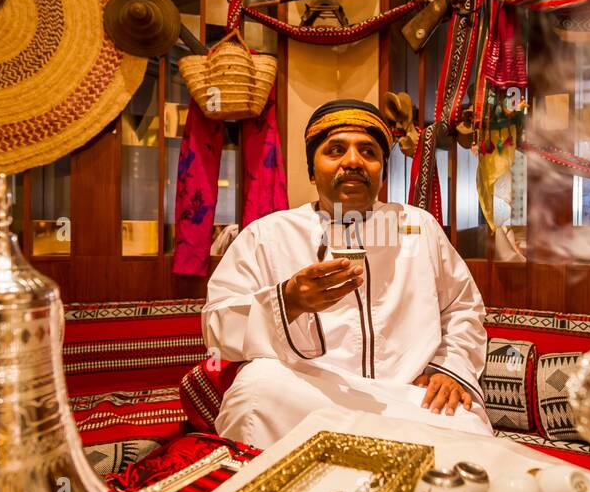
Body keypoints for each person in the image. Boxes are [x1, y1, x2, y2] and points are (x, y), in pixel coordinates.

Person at [203, 98, 492, 448]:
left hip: (406, 401)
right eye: (336, 150)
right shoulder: (268, 235)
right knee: (255, 391)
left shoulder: (418, 227)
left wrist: (449, 370)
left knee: (466, 426)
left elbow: (463, 310)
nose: (353, 161)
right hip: (314, 398)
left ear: (381, 172)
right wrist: (287, 302)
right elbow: (218, 327)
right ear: (312, 171)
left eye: (368, 152)